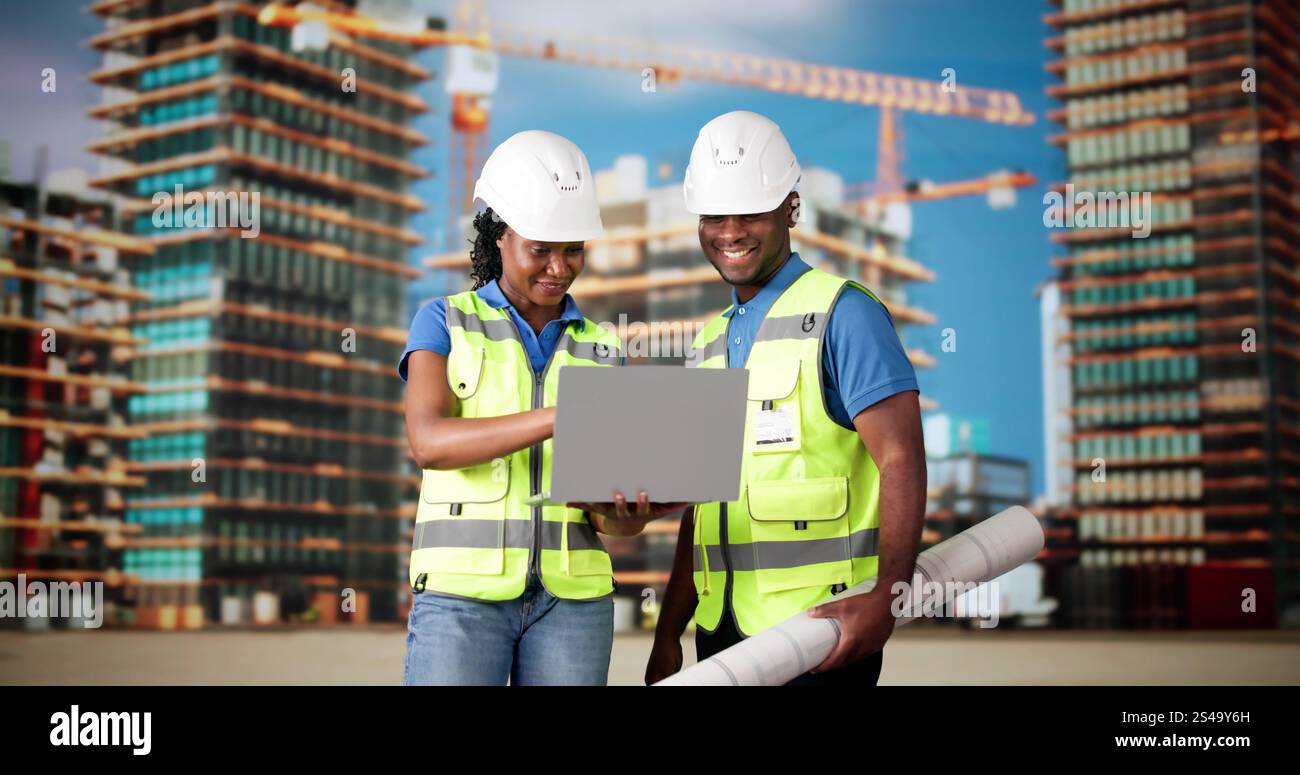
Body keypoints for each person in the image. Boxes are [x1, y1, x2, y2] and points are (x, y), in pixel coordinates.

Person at [645, 111, 927, 686]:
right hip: (718, 631)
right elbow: (701, 506)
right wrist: (669, 630)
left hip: (819, 633)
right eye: (715, 215)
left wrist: (887, 600)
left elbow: (901, 458)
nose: (731, 231)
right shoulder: (707, 343)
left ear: (790, 209)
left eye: (750, 211)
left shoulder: (844, 314)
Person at [400, 130, 681, 685]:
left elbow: (605, 520)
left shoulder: (603, 347)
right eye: (541, 250)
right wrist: (561, 416)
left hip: (573, 602)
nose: (559, 267)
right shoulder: (443, 321)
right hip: (461, 597)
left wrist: (629, 516)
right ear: (499, 236)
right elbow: (429, 443)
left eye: (573, 249)